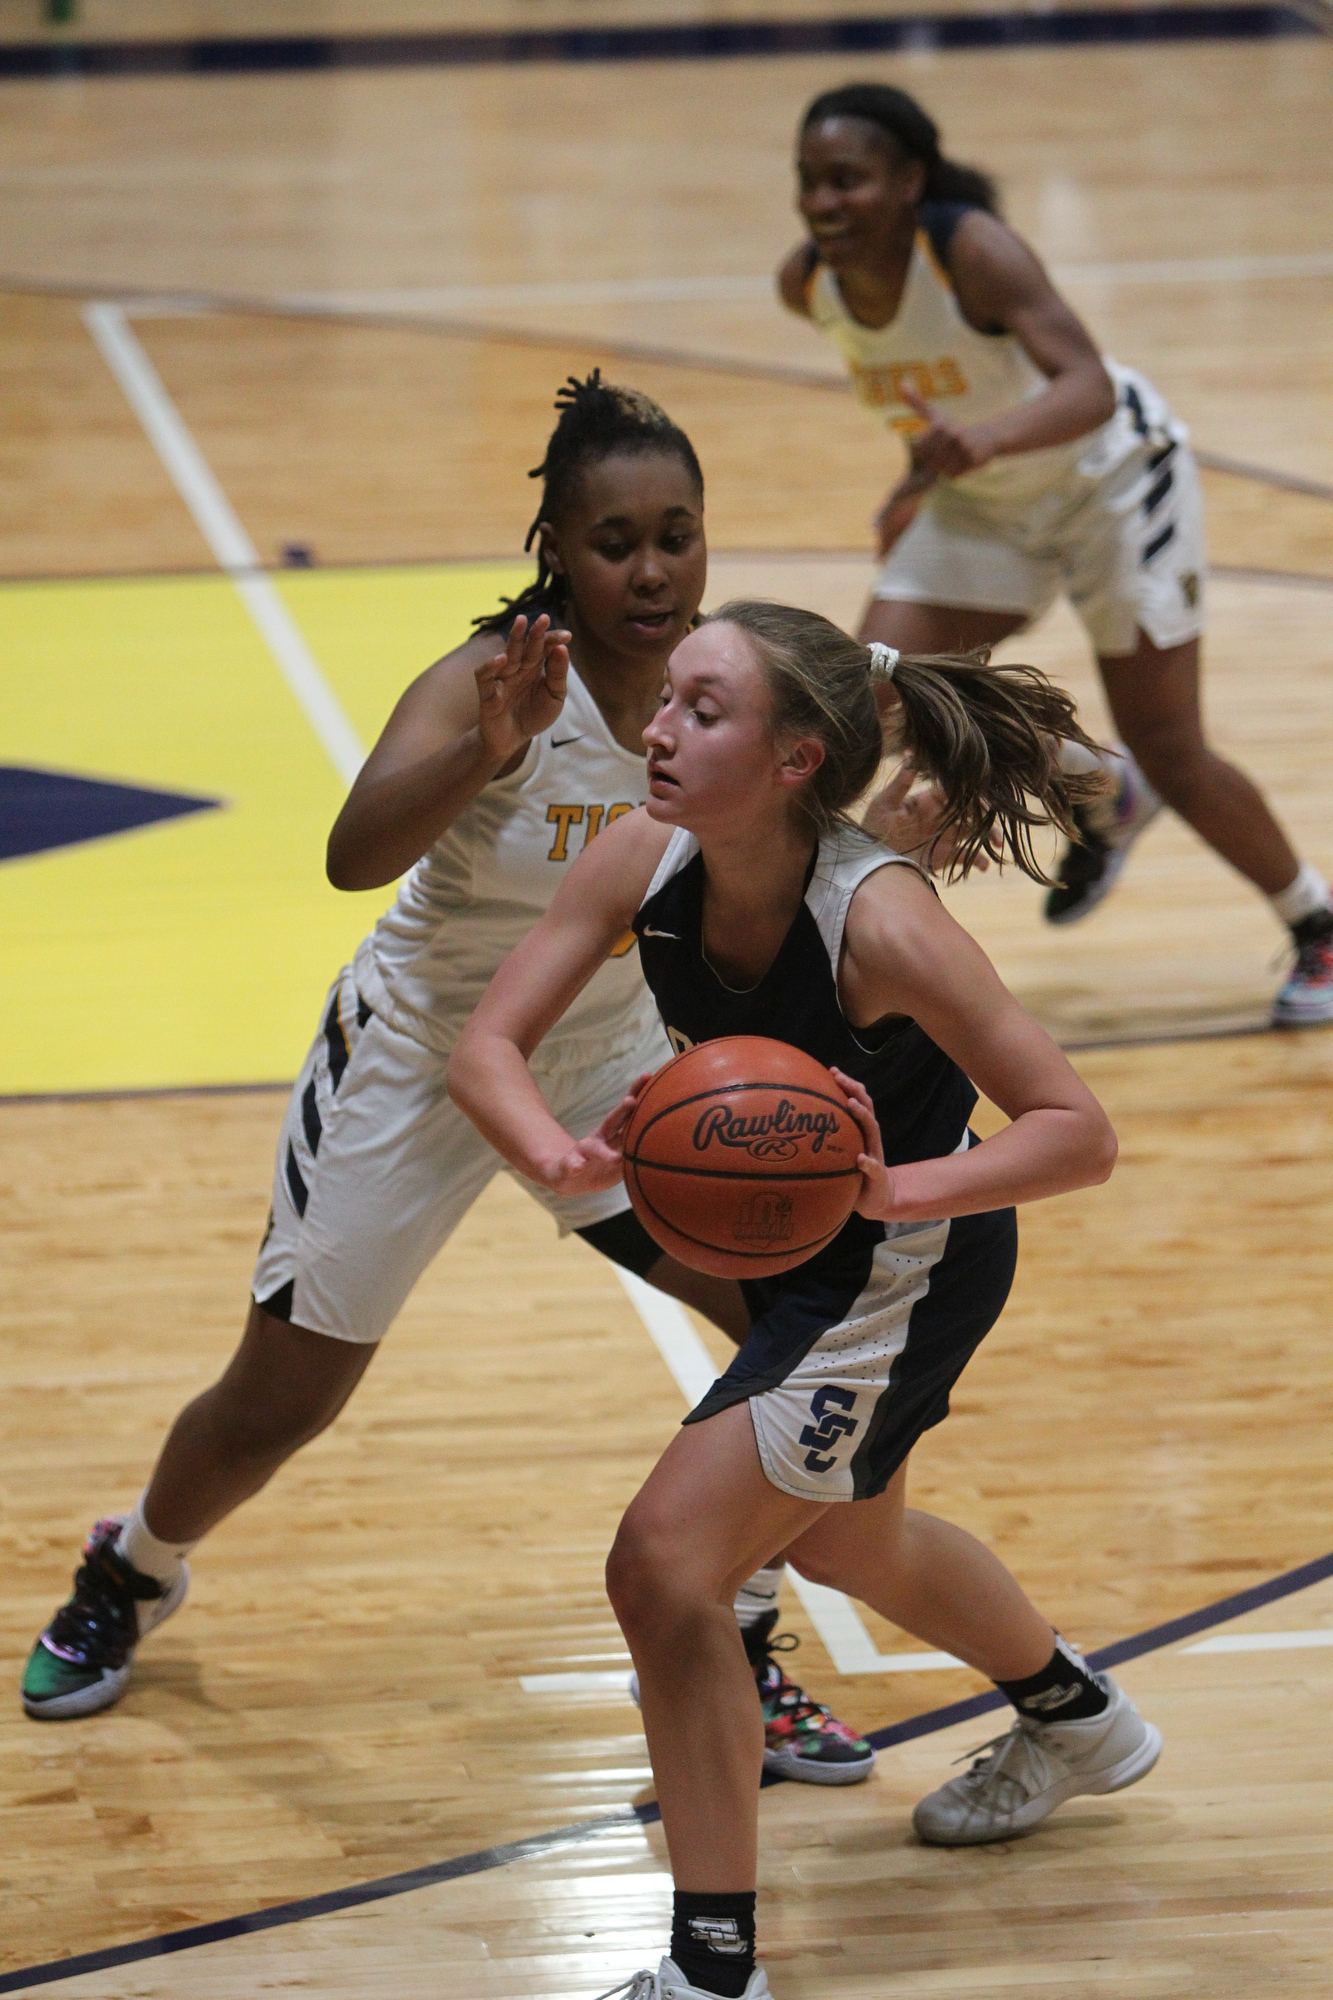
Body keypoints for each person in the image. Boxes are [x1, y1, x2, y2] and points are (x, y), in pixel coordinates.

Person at [22, 377, 873, 1786]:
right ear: (553, 541)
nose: (651, 569)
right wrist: (489, 751)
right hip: (422, 1050)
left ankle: (739, 1640)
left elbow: (848, 730)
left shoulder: (723, 684)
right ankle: (136, 1566)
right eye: (614, 540)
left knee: (790, 1328)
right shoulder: (489, 681)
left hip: (611, 1057)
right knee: (284, 1396)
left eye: (678, 534)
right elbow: (355, 854)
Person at [448, 601, 1164, 2000]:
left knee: (663, 1565)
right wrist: (560, 1153)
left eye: (700, 712)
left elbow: (1075, 1131)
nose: (654, 729)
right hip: (804, 1256)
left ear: (792, 759)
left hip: (902, 1269)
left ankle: (713, 1972)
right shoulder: (644, 856)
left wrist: (889, 1189)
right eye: (664, 702)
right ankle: (1076, 1718)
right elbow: (486, 1044)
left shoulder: (882, 922)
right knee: (844, 1546)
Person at [777, 82, 1333, 1025]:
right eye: (808, 181)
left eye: (848, 180)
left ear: (909, 181)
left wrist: (985, 442)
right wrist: (918, 478)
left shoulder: (970, 252)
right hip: (988, 498)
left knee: (1170, 741)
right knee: (872, 686)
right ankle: (1101, 790)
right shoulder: (810, 286)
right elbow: (923, 394)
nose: (824, 202)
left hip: (1112, 481)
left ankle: (1315, 924)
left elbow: (1087, 388)